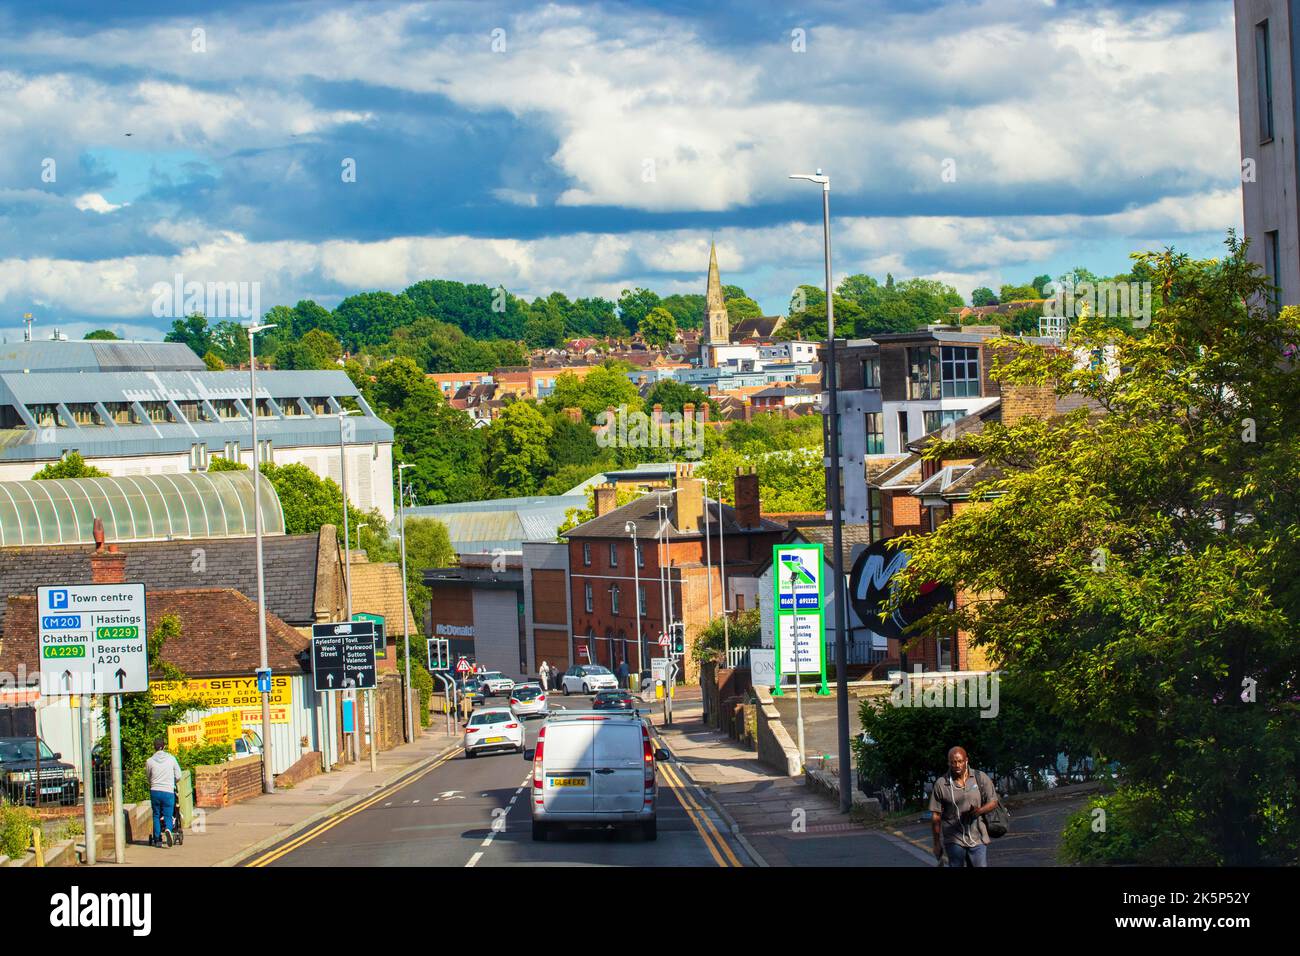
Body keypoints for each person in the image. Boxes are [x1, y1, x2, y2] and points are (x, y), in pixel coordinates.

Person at [929, 746, 999, 867]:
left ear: (966, 760)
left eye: (960, 761)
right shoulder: (941, 784)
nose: (957, 765)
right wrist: (936, 843)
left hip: (978, 837)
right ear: (948, 763)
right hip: (954, 838)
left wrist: (979, 811)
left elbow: (993, 801)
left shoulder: (980, 777)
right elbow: (936, 815)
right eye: (953, 762)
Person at [147, 738, 183, 848]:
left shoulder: (149, 761)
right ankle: (168, 829)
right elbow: (178, 776)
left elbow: (148, 776)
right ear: (164, 746)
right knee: (168, 813)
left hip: (155, 791)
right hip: (168, 791)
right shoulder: (171, 759)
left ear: (154, 747)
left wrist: (153, 782)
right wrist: (172, 781)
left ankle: (157, 839)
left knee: (156, 815)